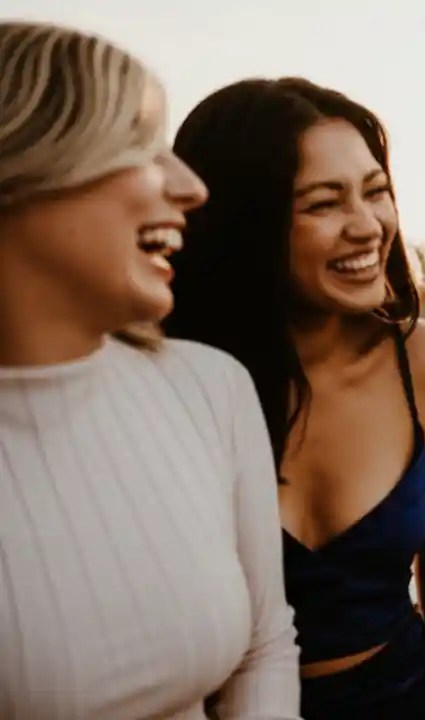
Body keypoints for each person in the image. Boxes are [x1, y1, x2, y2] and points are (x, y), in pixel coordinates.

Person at [164, 78, 425, 719]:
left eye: (375, 192)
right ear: (245, 222)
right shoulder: (168, 379)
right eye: (324, 203)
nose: (367, 225)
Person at [0, 22, 301, 719]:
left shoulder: (208, 386)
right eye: (140, 145)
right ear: (22, 163)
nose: (190, 187)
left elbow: (265, 648)